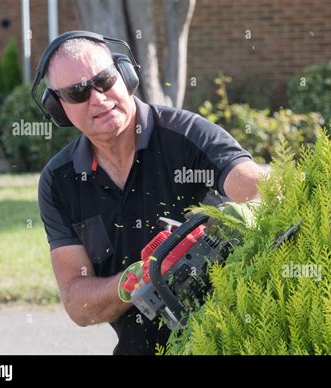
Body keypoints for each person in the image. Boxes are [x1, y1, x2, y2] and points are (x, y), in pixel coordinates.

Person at [36, 32, 264, 355]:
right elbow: (78, 302)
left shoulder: (185, 135)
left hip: (229, 338)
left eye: (104, 80)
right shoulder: (59, 182)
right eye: (78, 93)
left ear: (125, 74)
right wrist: (134, 280)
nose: (98, 98)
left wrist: (241, 216)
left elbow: (263, 190)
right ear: (58, 108)